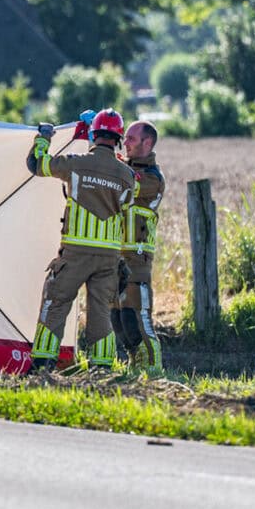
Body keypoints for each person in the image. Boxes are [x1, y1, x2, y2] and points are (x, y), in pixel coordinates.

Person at [28, 108, 137, 371]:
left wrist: (43, 137)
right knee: (100, 312)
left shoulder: (75, 163)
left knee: (56, 302)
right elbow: (127, 200)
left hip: (76, 253)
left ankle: (43, 365)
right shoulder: (127, 175)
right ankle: (101, 369)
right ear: (118, 138)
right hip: (109, 258)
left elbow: (37, 165)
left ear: (93, 134)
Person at [115, 120, 165, 372]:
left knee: (138, 316)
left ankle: (154, 369)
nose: (126, 143)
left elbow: (125, 185)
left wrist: (109, 165)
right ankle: (135, 363)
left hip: (137, 258)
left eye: (131, 139)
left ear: (147, 143)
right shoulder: (125, 168)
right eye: (124, 138)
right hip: (115, 257)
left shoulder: (153, 178)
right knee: (118, 320)